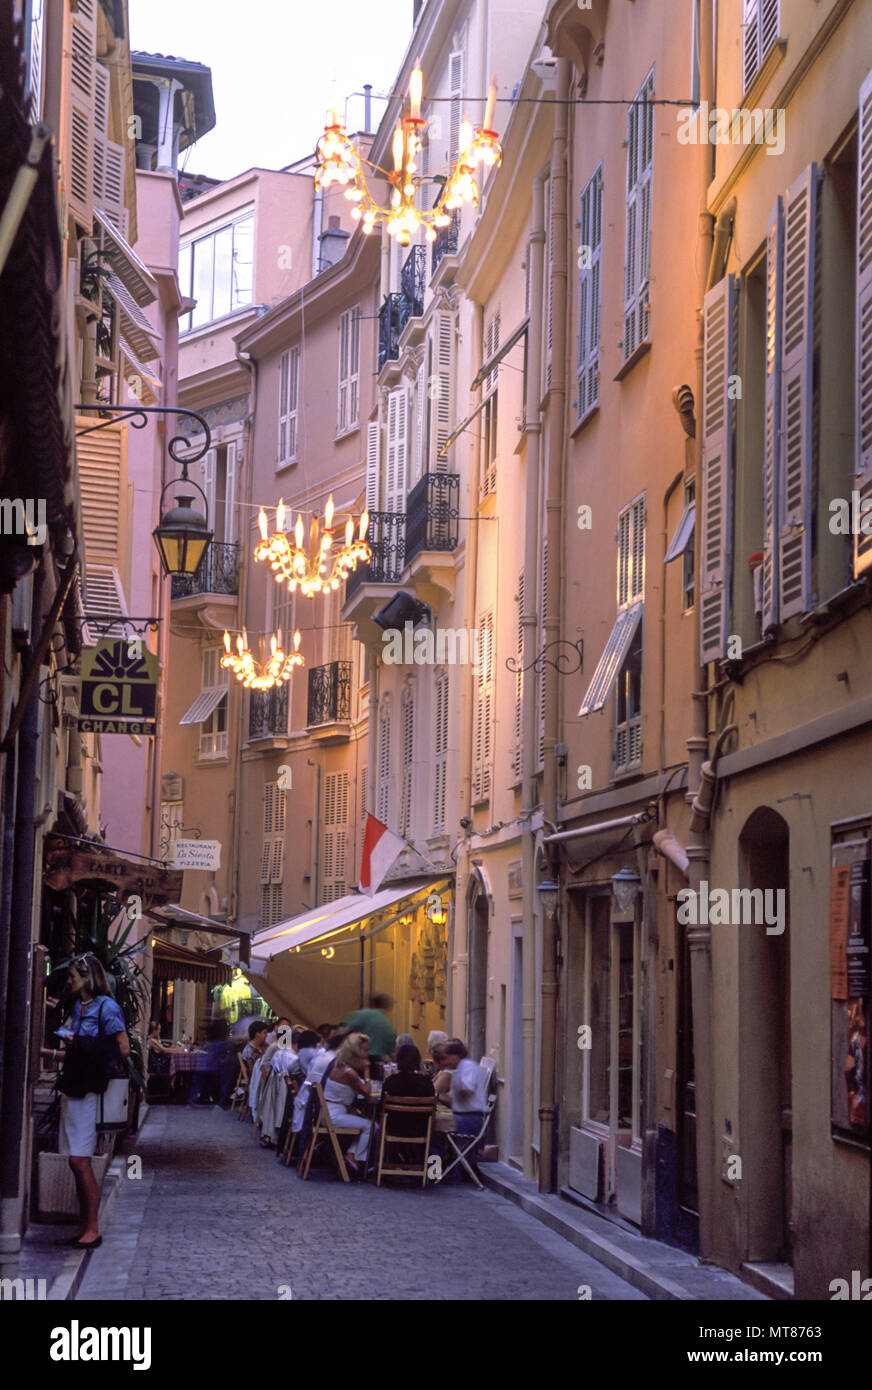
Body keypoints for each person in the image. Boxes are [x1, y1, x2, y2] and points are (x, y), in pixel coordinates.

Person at [40, 954, 129, 1250]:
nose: (69, 981)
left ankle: (93, 1227)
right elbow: (79, 1052)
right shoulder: (79, 1007)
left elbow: (122, 1049)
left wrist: (78, 1042)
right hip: (74, 1086)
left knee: (80, 1160)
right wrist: (51, 1054)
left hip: (91, 1091)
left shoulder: (107, 1007)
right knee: (75, 1161)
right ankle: (85, 1226)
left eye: (73, 977)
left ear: (88, 978)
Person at [322, 1032, 373, 1176]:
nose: (367, 1053)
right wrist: (367, 1072)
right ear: (355, 1052)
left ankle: (351, 1155)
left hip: (326, 1113)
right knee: (370, 1126)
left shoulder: (339, 1066)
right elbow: (367, 1092)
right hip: (334, 1116)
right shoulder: (350, 1073)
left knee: (367, 1123)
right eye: (365, 1050)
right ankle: (354, 1159)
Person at [434, 1038, 489, 1151]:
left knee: (433, 1134)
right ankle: (439, 1165)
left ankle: (435, 1166)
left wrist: (444, 1092)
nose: (444, 1062)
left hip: (468, 1119)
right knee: (433, 1130)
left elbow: (467, 1091)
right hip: (464, 1117)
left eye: (446, 1058)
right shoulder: (460, 1068)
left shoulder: (467, 1067)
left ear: (455, 1056)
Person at [341, 994, 395, 1063]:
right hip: (378, 1063)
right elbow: (390, 1049)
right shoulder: (388, 1023)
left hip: (359, 1060)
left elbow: (343, 1031)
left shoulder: (363, 1015)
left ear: (373, 1003)